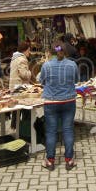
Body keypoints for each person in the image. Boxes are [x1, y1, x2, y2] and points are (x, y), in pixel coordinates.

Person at [39, 39, 79, 170]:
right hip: (68, 101)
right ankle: (69, 160)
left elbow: (42, 81)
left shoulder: (46, 65)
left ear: (51, 51)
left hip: (51, 101)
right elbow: (77, 80)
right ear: (65, 50)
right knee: (68, 130)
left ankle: (50, 161)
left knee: (51, 131)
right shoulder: (72, 65)